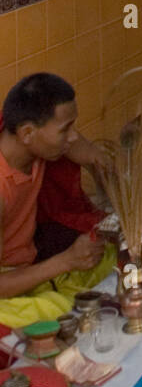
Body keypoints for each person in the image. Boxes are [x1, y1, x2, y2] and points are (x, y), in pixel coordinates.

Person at [0, 72, 115, 329]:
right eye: (65, 129)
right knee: (60, 309)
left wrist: (123, 210)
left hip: (32, 262)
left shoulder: (41, 143)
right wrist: (65, 261)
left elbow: (98, 159)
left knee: (110, 256)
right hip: (6, 282)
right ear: (27, 133)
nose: (73, 136)